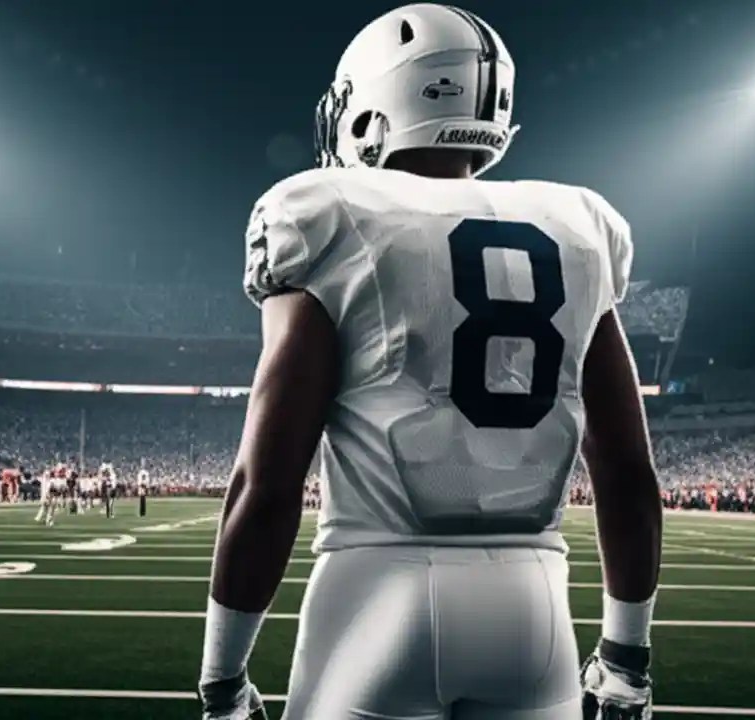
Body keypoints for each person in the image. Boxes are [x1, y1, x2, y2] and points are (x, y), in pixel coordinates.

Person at [197, 5, 662, 720]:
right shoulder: (578, 227)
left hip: (379, 590)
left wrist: (223, 681)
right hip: (534, 608)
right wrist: (626, 659)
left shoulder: (334, 212)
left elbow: (266, 486)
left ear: (371, 110)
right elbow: (628, 471)